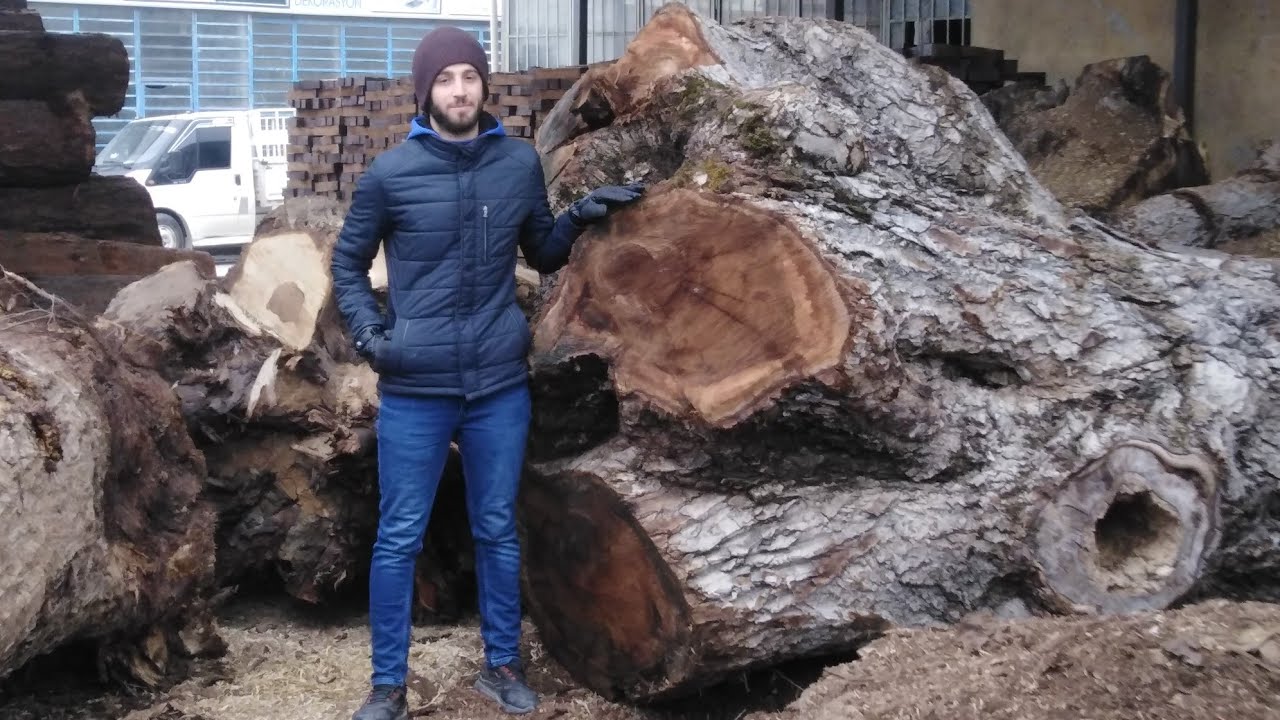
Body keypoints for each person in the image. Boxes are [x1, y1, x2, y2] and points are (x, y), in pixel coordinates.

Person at [330, 25, 644, 720]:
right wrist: (374, 338)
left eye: (469, 76)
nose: (460, 89)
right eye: (445, 80)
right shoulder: (390, 176)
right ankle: (388, 687)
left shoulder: (516, 164)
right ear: (425, 92)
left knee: (498, 526)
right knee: (400, 535)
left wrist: (583, 216)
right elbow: (347, 264)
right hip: (415, 387)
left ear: (483, 85)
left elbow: (542, 249)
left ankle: (501, 667)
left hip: (498, 384)